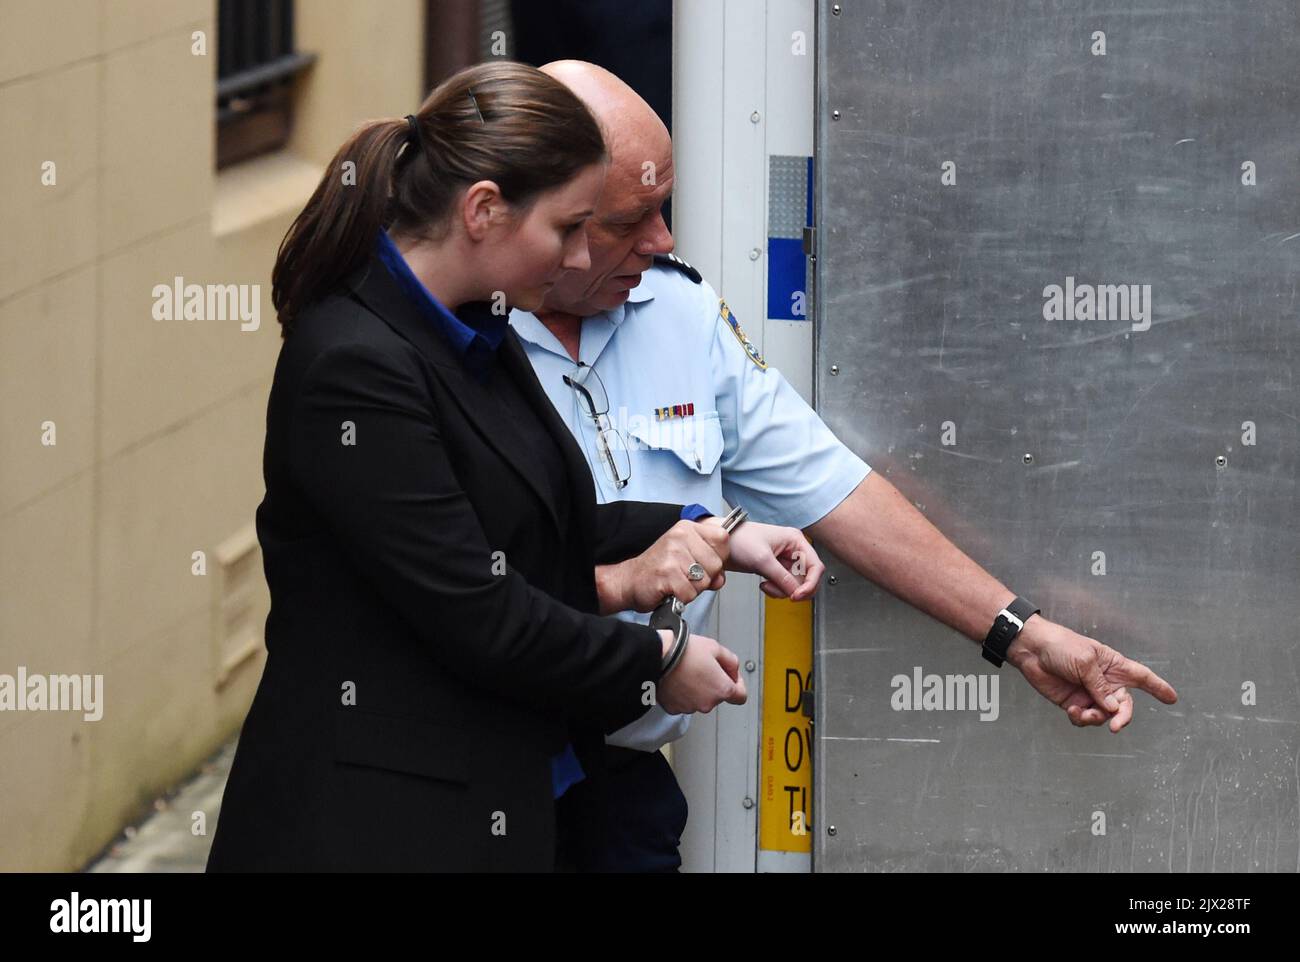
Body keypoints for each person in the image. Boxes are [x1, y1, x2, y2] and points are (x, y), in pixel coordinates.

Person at [509, 60, 1180, 872]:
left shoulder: (676, 310)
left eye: (666, 206)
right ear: (542, 215)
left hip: (620, 793)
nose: (664, 240)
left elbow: (836, 489)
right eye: (627, 220)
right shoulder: (458, 343)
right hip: (489, 776)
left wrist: (1022, 634)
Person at [205, 61, 821, 872]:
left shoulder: (475, 326)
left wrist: (707, 528)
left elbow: (542, 516)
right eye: (567, 227)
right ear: (484, 211)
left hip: (505, 791)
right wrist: (657, 664)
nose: (574, 259)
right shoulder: (354, 366)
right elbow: (479, 611)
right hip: (378, 824)